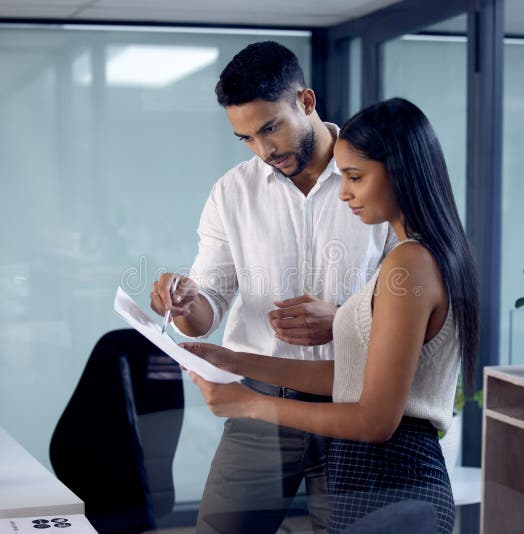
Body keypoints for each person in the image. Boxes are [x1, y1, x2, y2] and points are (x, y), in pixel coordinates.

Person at [185, 97, 480, 534]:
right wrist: (236, 361)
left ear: (400, 171)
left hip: (391, 480)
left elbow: (374, 420)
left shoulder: (409, 263)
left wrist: (249, 402)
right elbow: (354, 376)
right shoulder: (423, 254)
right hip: (379, 477)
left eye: (356, 178)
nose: (344, 192)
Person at [149, 42, 398, 534]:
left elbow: (412, 295)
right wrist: (185, 301)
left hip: (351, 399)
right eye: (246, 138)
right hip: (257, 405)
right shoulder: (232, 192)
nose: (264, 151)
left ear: (305, 102)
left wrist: (343, 319)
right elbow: (209, 306)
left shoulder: (377, 178)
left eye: (270, 128)